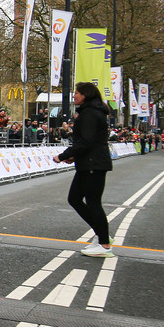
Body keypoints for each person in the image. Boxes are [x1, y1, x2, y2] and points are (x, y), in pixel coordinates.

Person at [54, 81, 115, 258]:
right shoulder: (92, 112)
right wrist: (74, 156)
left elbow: (86, 141)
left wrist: (64, 155)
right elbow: (90, 141)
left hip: (93, 164)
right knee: (75, 198)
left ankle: (104, 244)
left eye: (77, 93)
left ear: (85, 95)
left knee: (93, 202)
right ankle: (101, 234)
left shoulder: (89, 114)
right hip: (90, 162)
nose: (74, 96)